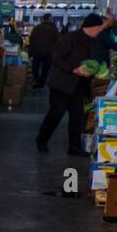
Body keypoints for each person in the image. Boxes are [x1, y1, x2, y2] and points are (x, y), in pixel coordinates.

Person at [35, 13, 106, 155]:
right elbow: (56, 58)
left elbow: (94, 60)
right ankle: (42, 140)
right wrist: (73, 70)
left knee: (77, 116)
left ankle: (74, 147)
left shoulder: (93, 41)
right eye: (99, 29)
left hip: (79, 84)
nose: (100, 32)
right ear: (92, 27)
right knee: (56, 113)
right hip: (61, 83)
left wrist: (96, 70)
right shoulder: (70, 38)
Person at [27, 13, 59, 89]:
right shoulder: (53, 28)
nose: (52, 19)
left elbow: (31, 39)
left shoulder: (37, 27)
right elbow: (58, 40)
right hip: (48, 52)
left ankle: (36, 80)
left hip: (37, 51)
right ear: (49, 19)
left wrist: (31, 50)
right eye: (51, 18)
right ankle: (41, 83)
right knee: (45, 69)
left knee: (35, 67)